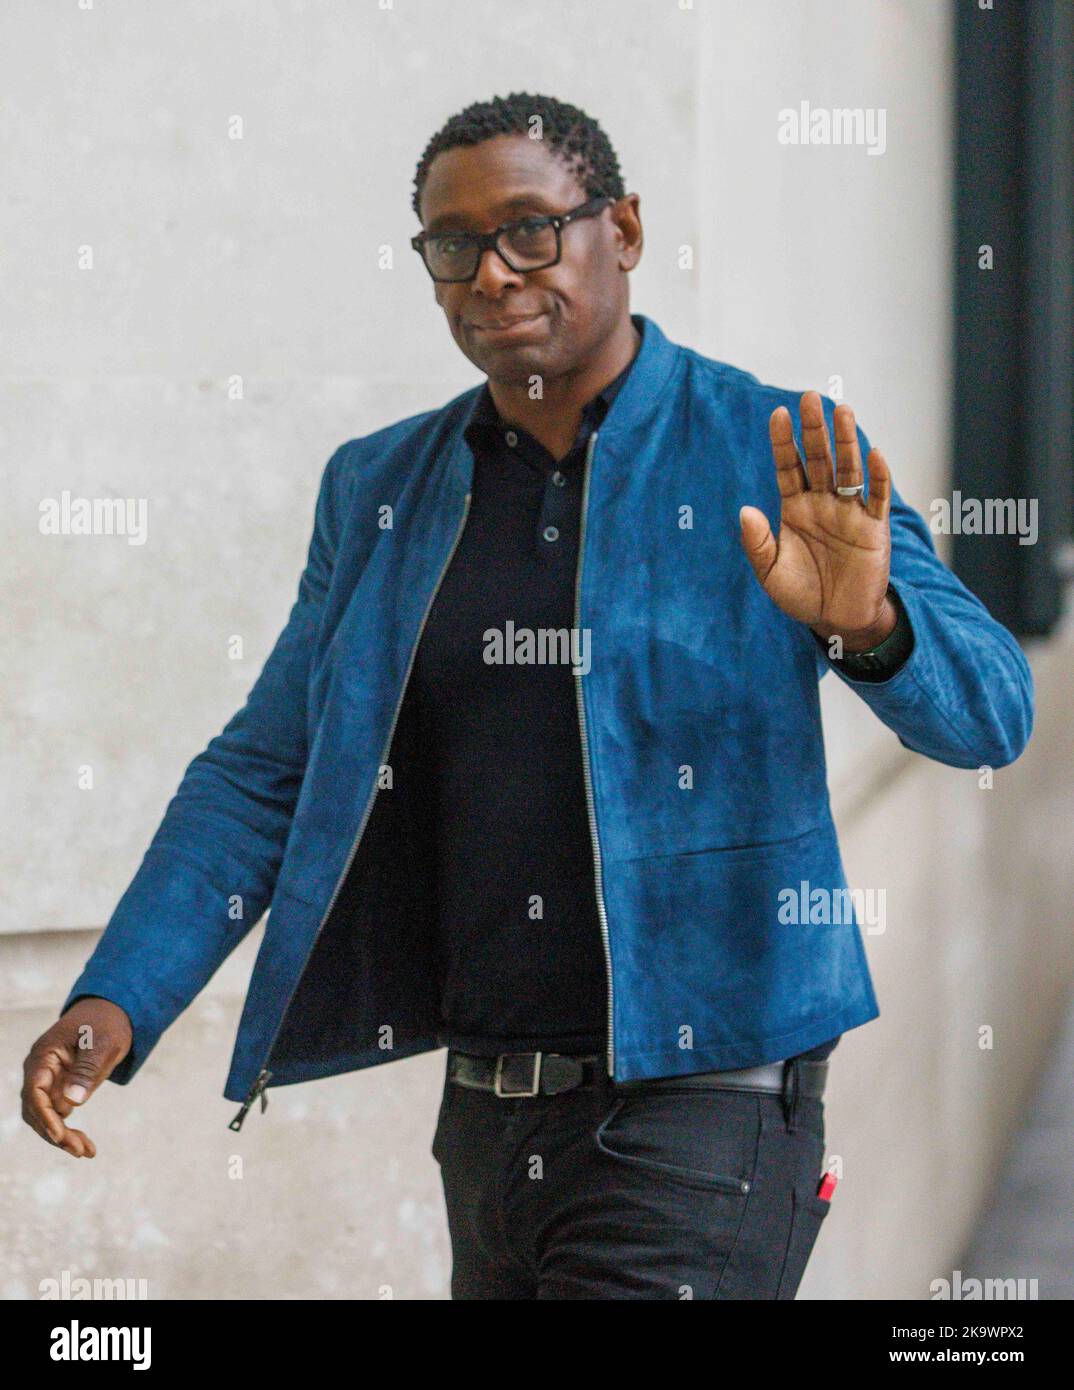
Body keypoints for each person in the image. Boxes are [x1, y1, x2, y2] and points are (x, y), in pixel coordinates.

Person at [21, 93, 1033, 1299]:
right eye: (454, 247)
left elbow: (993, 716)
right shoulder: (381, 486)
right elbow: (267, 769)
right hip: (487, 1121)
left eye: (531, 230)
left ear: (626, 230)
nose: (494, 274)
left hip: (702, 1118)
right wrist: (119, 995)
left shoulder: (768, 446)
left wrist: (872, 623)